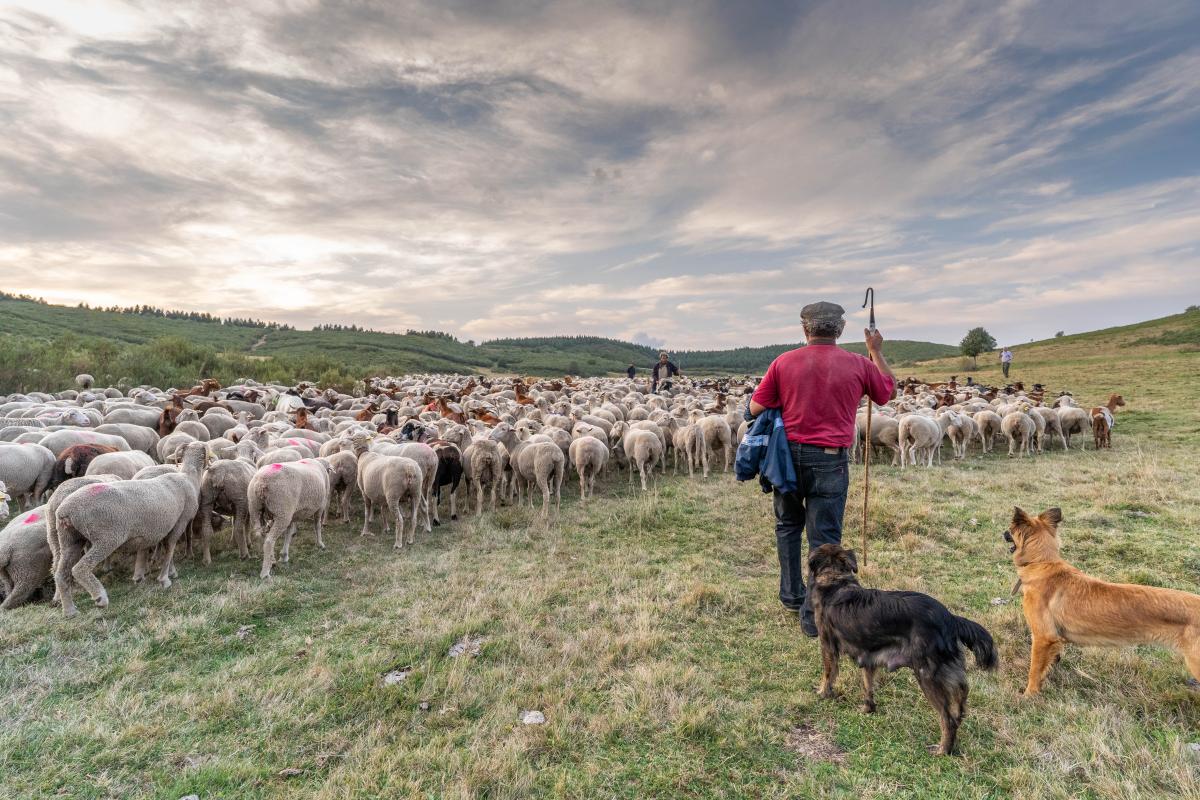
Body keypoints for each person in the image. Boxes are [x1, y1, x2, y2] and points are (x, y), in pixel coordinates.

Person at [747, 301, 895, 637]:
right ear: (840, 330)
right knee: (825, 537)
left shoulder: (783, 362)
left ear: (804, 329)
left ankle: (791, 594)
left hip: (786, 459)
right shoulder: (859, 363)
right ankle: (814, 616)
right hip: (830, 459)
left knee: (787, 525)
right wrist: (876, 352)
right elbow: (886, 392)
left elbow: (756, 406)